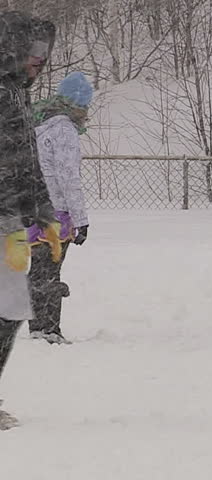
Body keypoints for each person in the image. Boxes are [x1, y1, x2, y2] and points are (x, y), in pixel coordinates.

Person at [0, 11, 58, 429]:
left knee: (13, 308)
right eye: (32, 50)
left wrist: (43, 212)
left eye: (45, 51)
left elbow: (26, 161)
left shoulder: (17, 93)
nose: (40, 59)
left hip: (10, 222)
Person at [26, 72, 93, 345]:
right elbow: (68, 178)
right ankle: (50, 330)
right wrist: (81, 219)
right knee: (50, 271)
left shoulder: (39, 127)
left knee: (39, 270)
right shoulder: (64, 131)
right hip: (55, 213)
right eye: (86, 106)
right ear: (77, 104)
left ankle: (37, 327)